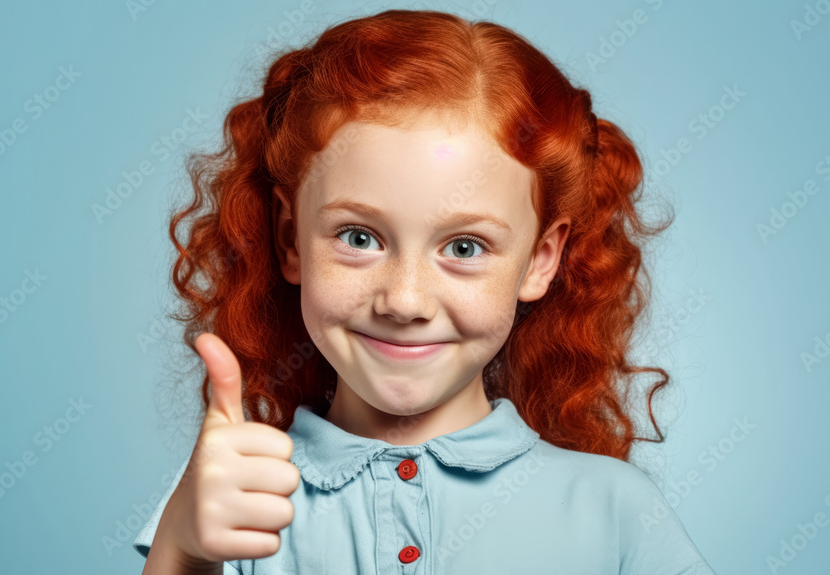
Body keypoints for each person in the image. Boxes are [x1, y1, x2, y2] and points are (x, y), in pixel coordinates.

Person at [135, 9, 716, 575]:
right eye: (359, 237)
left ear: (540, 261)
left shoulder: (614, 511)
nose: (405, 302)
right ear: (291, 239)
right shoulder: (231, 503)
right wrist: (182, 556)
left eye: (464, 247)